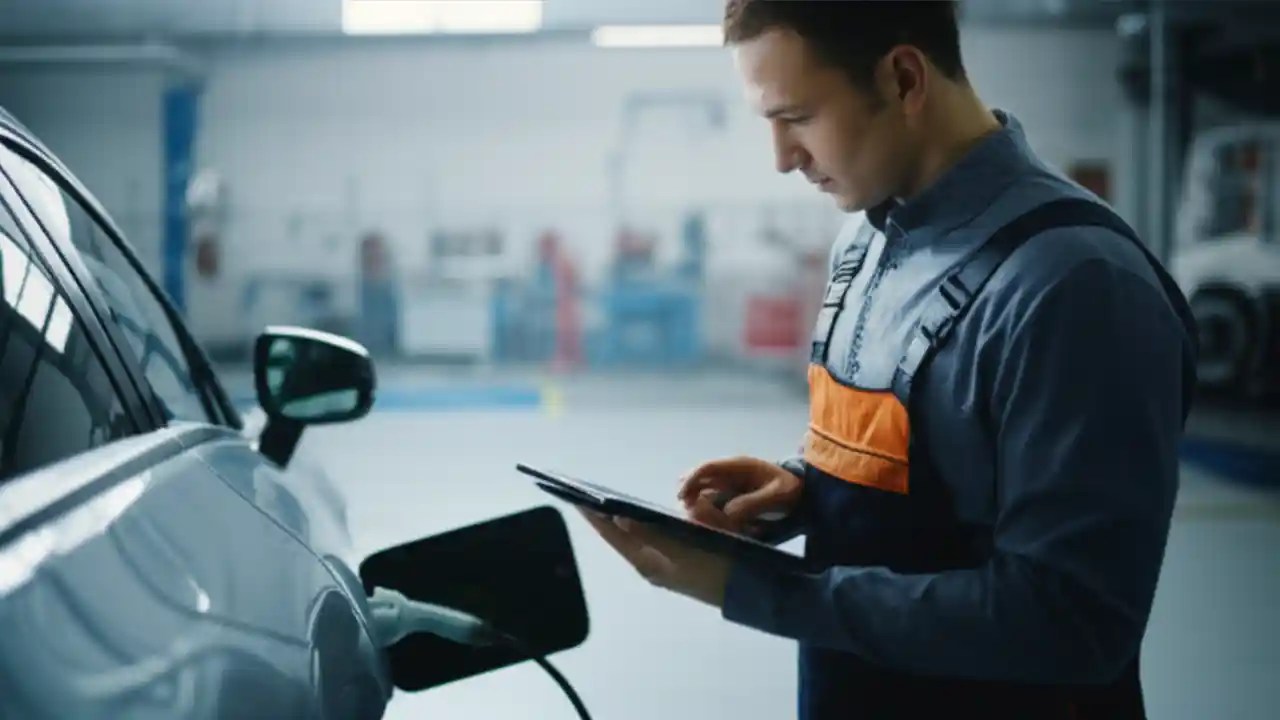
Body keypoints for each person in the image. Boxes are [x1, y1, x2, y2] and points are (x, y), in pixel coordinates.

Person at [577, 2, 1199, 719]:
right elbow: (934, 470)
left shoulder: (1076, 287)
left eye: (797, 117)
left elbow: (1073, 623)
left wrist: (750, 587)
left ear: (904, 79)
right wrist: (804, 489)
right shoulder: (865, 241)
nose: (782, 157)